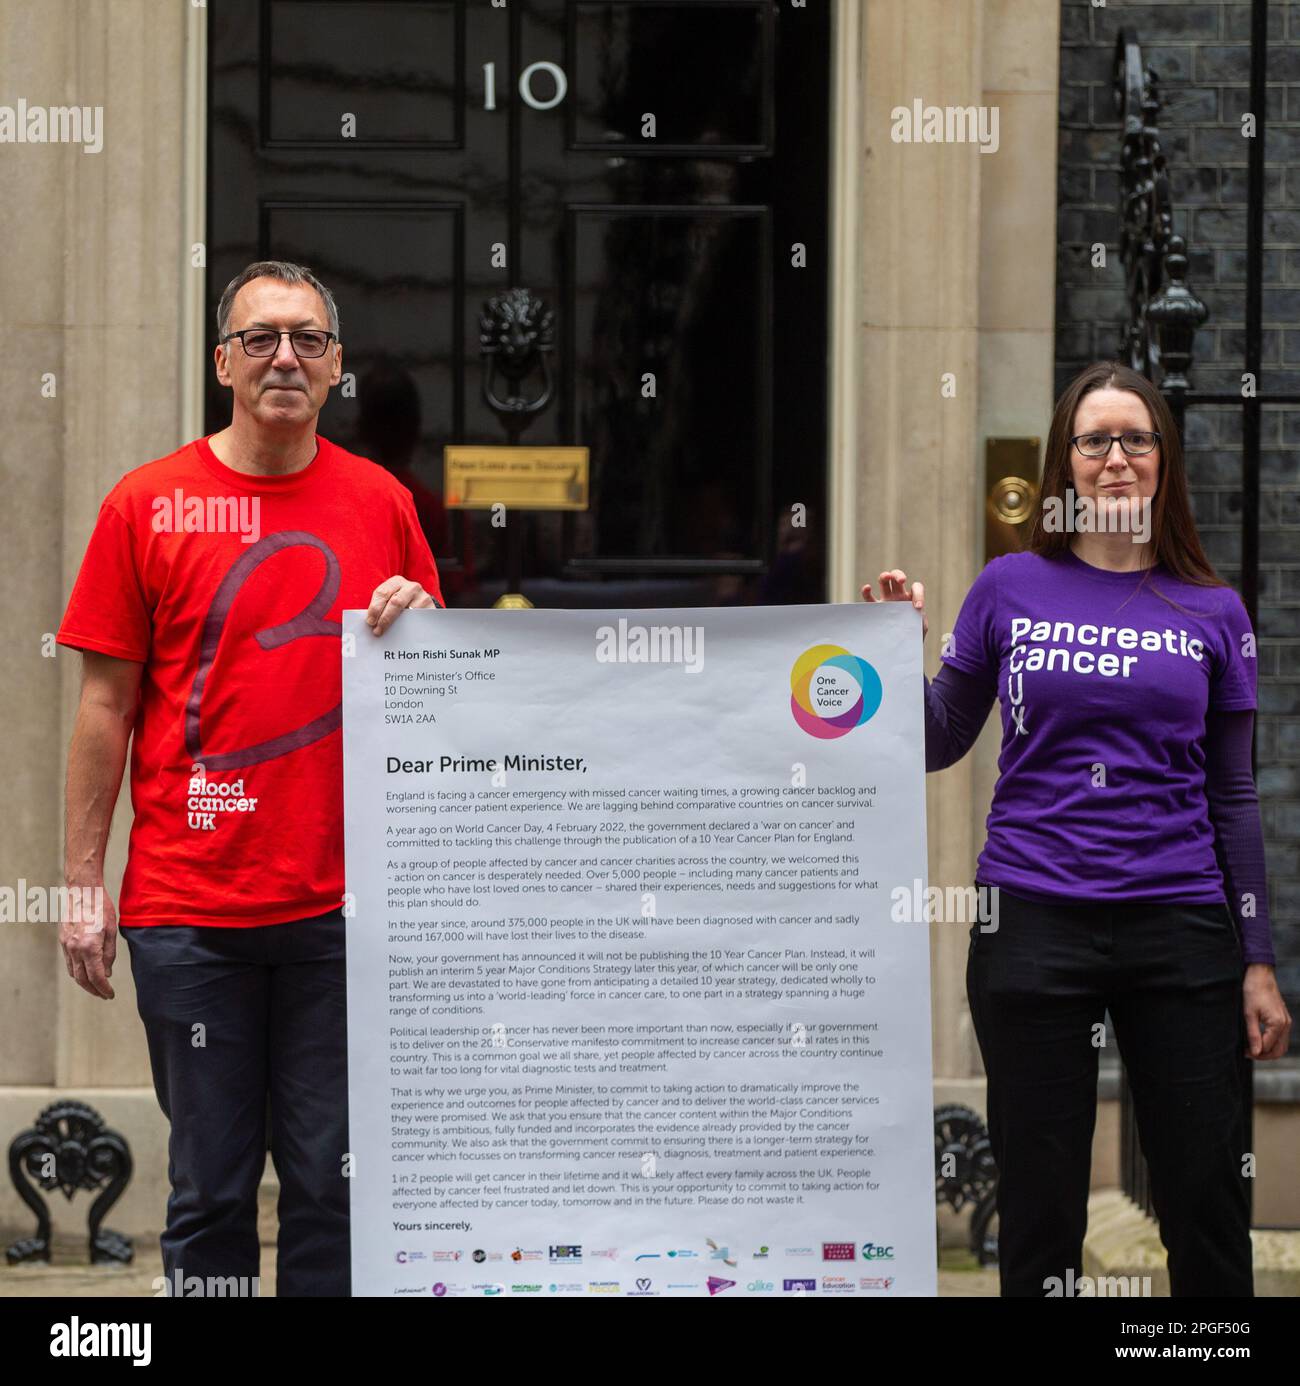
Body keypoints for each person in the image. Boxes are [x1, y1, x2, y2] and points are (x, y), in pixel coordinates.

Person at [863, 359, 1291, 1297]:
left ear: (1163, 462)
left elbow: (1233, 792)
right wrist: (897, 653)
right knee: (1041, 1215)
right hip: (1033, 922)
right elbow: (936, 743)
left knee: (1207, 1205)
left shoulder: (1214, 612)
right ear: (1066, 465)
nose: (1115, 459)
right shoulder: (1009, 587)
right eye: (1094, 441)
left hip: (1179, 924)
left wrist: (1256, 957)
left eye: (1135, 439)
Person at [56, 260, 444, 1297]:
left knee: (331, 1184)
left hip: (341, 911)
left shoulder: (383, 506)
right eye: (262, 337)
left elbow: (441, 699)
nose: (285, 356)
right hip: (190, 913)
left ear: (335, 368)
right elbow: (104, 707)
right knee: (212, 1191)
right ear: (223, 360)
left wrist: (425, 627)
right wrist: (81, 883)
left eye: (308, 339)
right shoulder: (145, 506)